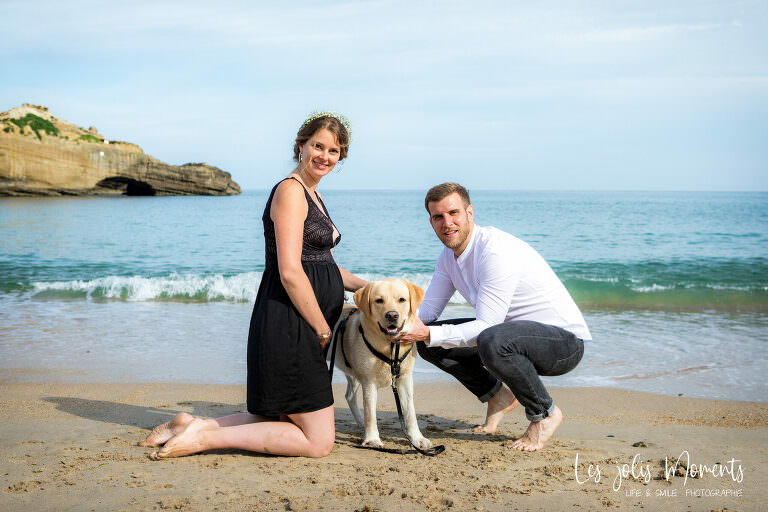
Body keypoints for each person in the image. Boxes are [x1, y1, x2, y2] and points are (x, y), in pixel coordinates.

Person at [140, 112, 367, 459]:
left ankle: (188, 424)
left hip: (304, 323)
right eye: (317, 146)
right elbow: (290, 271)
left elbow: (325, 266)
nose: (324, 156)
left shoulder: (313, 194)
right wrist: (322, 328)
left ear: (341, 156)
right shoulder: (291, 191)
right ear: (301, 146)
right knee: (318, 442)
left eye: (333, 151)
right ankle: (203, 438)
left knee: (274, 417)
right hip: (293, 323)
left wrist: (374, 288)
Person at [399, 182, 590, 451]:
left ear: (470, 213)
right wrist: (388, 318)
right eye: (438, 217)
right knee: (428, 343)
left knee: (486, 338)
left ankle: (544, 413)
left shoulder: (494, 250)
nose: (447, 223)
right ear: (430, 222)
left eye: (454, 213)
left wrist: (428, 332)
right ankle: (497, 395)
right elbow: (427, 312)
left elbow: (487, 326)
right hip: (510, 337)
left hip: (563, 343)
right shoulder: (448, 257)